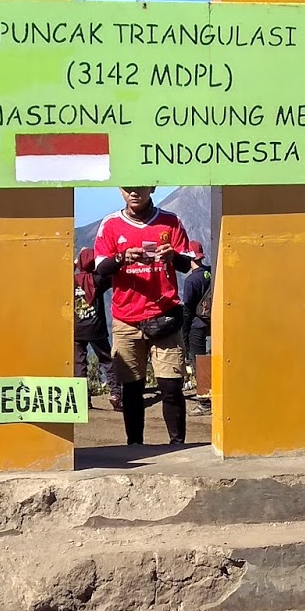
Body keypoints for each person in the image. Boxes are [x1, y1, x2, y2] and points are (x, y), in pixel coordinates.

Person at [93, 186, 192, 446]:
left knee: (171, 386)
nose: (134, 193)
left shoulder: (170, 221)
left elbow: (187, 263)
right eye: (128, 188)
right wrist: (122, 258)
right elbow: (101, 267)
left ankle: (177, 445)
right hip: (126, 318)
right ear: (120, 191)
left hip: (165, 315)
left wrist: (172, 256)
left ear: (152, 187)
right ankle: (135, 445)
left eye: (139, 187)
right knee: (132, 387)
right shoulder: (111, 224)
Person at [73, 247, 120, 411]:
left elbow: (57, 277)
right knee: (107, 361)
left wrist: (75, 263)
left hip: (77, 330)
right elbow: (113, 272)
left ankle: (82, 399)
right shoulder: (98, 280)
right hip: (96, 329)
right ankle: (116, 394)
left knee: (79, 364)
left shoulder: (70, 281)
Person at [178, 241, 213, 416]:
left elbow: (187, 309)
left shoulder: (191, 281)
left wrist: (183, 333)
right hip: (212, 321)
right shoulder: (211, 272)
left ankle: (204, 403)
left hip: (196, 325)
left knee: (200, 362)